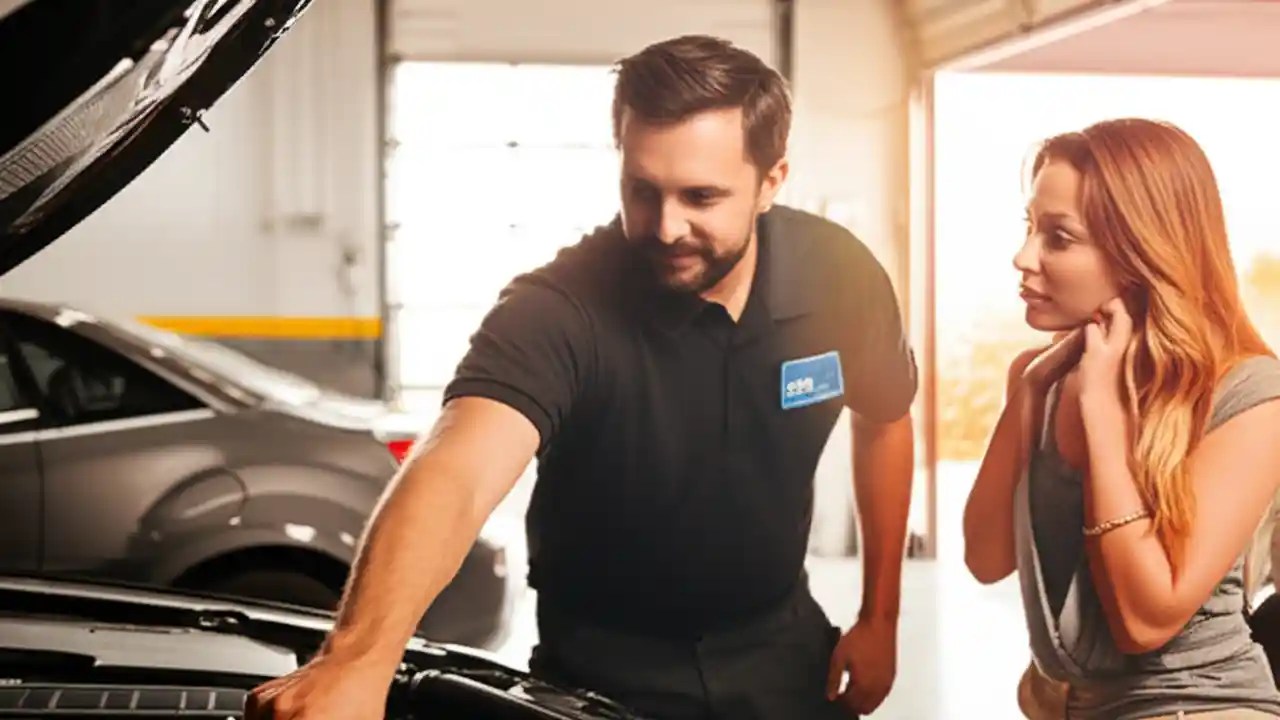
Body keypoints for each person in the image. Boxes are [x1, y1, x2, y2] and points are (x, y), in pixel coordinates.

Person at [244, 34, 918, 720]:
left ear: (771, 181)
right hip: (606, 668)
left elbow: (886, 418)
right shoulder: (558, 310)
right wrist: (359, 660)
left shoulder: (840, 276)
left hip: (780, 644)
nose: (666, 228)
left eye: (701, 197)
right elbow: (458, 471)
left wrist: (881, 617)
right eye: (641, 191)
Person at [962, 117, 1280, 719]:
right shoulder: (1041, 380)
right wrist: (1029, 392)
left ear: (1141, 251)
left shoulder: (1250, 394)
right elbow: (985, 557)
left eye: (1059, 237)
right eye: (1029, 228)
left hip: (1198, 707)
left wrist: (1104, 419)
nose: (1023, 257)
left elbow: (1145, 622)